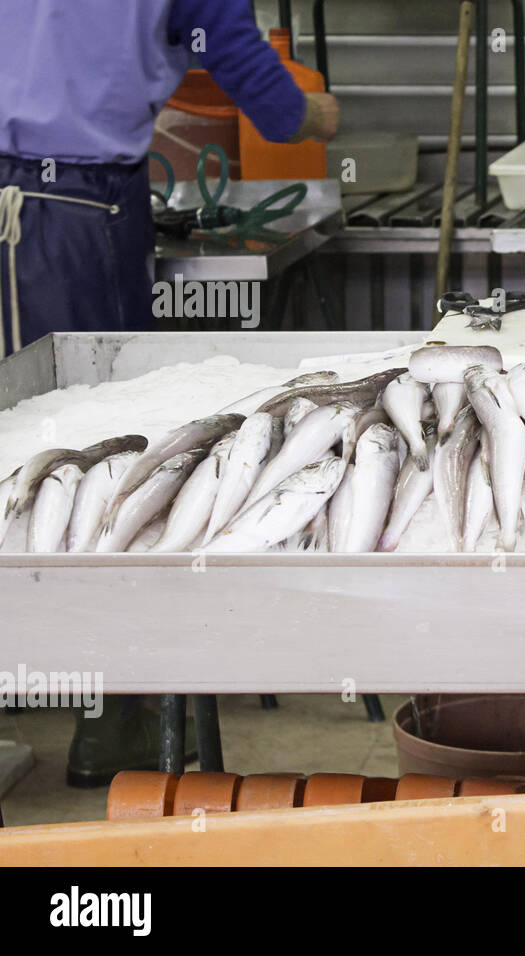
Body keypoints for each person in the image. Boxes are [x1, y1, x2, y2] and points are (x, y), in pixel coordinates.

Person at [0, 0, 339, 786]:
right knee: (107, 448)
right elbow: (275, 107)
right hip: (77, 219)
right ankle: (114, 718)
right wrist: (322, 114)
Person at [0, 0, 340, 358]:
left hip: (43, 199)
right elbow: (235, 54)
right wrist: (311, 114)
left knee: (23, 399)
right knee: (95, 389)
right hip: (75, 212)